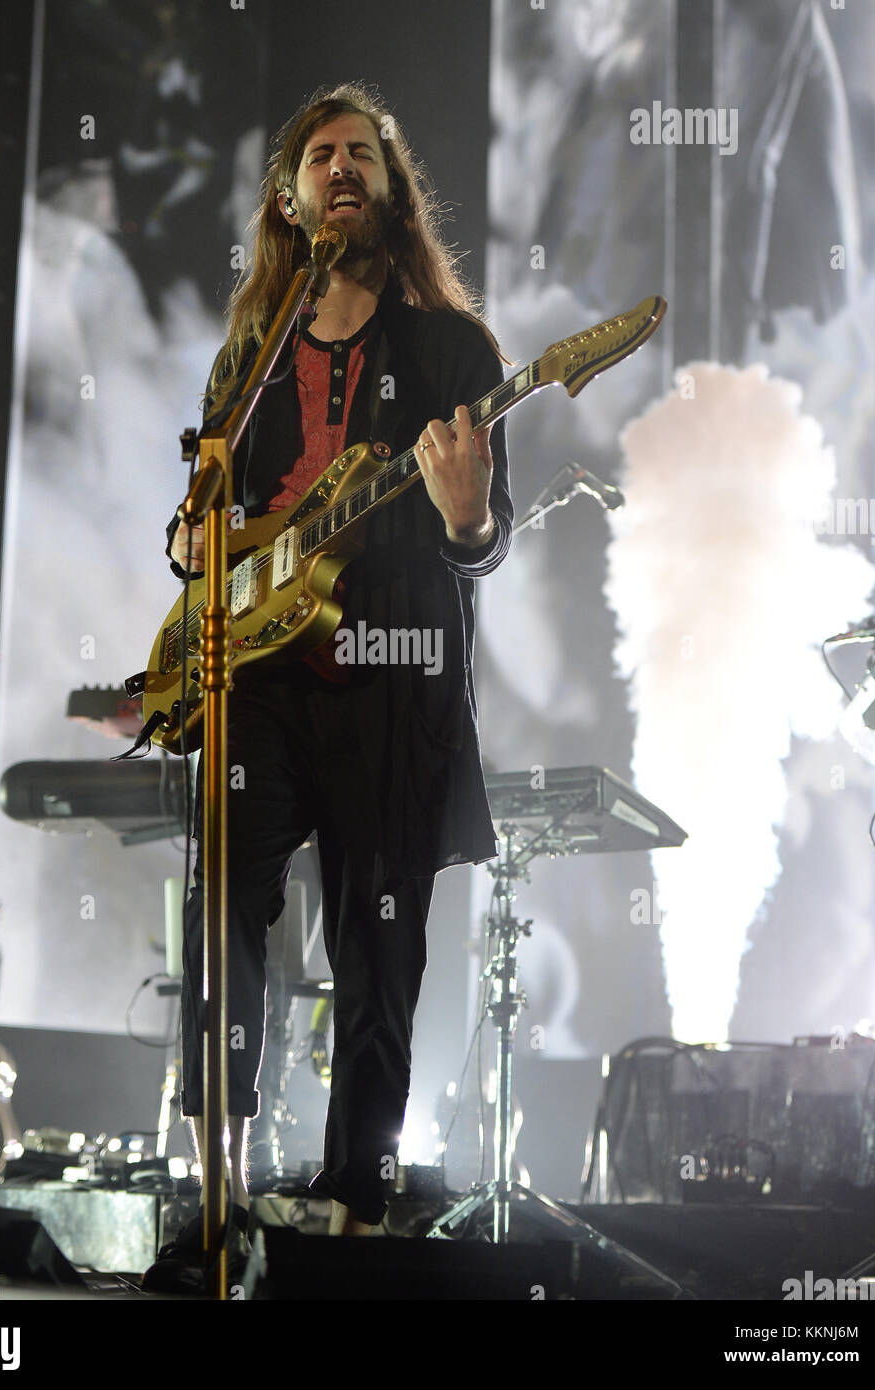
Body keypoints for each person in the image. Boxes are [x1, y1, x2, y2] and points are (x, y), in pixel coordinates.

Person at [151, 80, 513, 1279]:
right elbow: (200, 511)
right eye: (321, 155)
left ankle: (357, 1210)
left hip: (389, 678)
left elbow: (484, 536)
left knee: (377, 948)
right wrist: (189, 544)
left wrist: (465, 521)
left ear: (390, 189)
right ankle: (223, 1197)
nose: (343, 168)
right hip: (260, 678)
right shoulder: (246, 358)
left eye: (363, 153)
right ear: (289, 195)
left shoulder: (452, 351)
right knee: (222, 914)